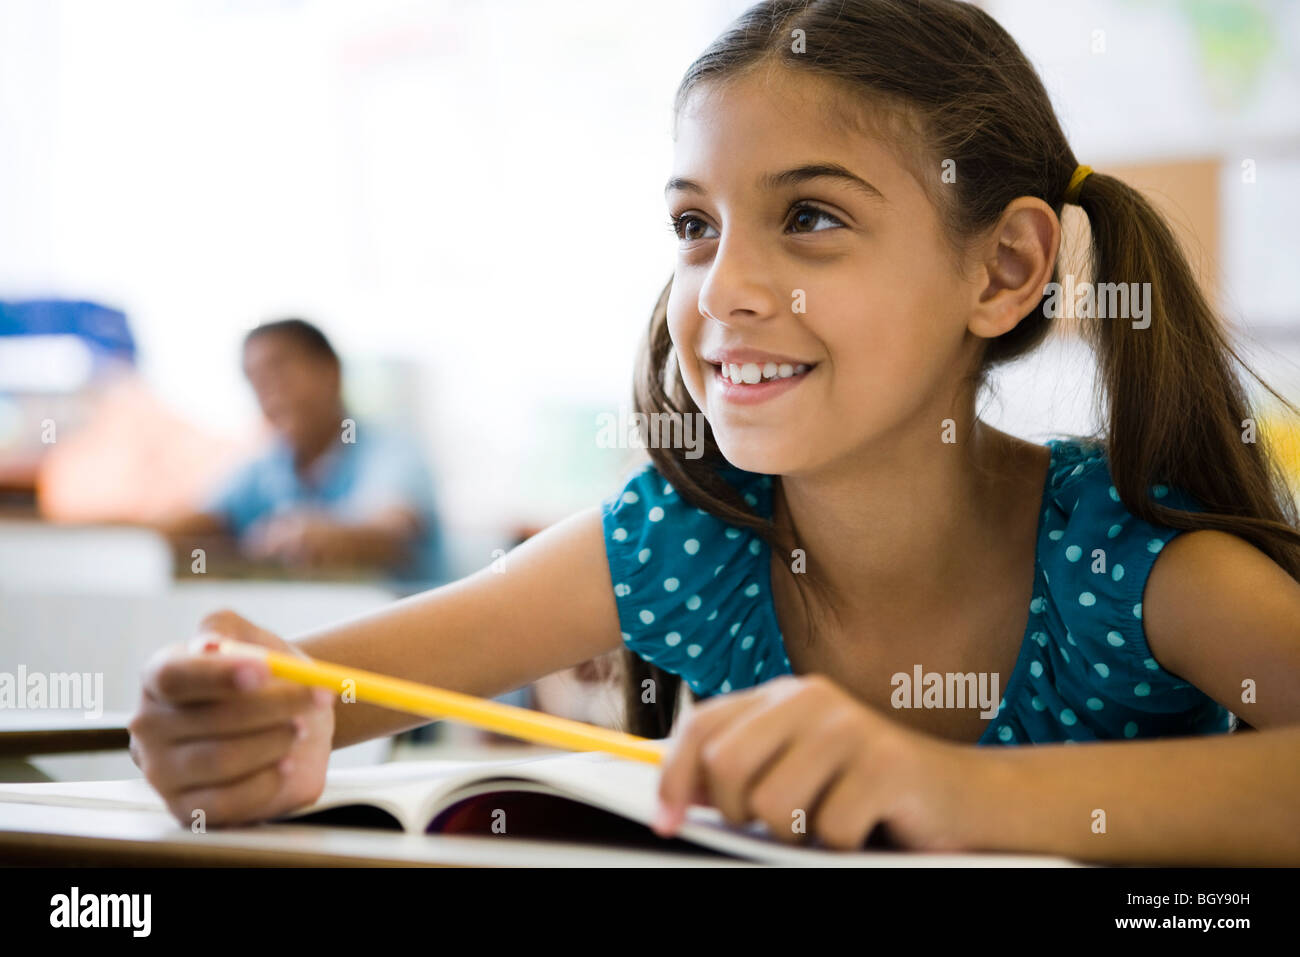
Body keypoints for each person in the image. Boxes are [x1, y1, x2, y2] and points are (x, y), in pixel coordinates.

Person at [128, 0, 1300, 864]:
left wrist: (946, 795)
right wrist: (237, 710)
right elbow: (323, 690)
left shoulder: (1125, 558)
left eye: (809, 217)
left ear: (1002, 268)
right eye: (694, 224)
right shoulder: (695, 538)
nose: (721, 288)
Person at [163, 318, 444, 584]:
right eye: (255, 381)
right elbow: (197, 522)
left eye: (279, 372)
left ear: (330, 372)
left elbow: (391, 531)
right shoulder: (266, 468)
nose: (268, 392)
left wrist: (311, 534)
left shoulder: (392, 450)